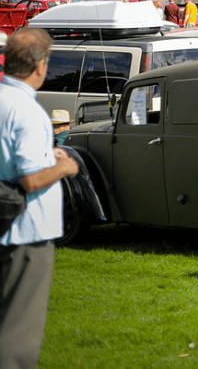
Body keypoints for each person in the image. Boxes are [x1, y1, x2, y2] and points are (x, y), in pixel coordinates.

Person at [0, 28, 80, 368]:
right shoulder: (28, 111)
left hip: (6, 224)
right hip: (26, 231)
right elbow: (32, 179)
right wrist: (64, 168)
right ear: (40, 66)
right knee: (18, 331)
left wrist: (48, 157)